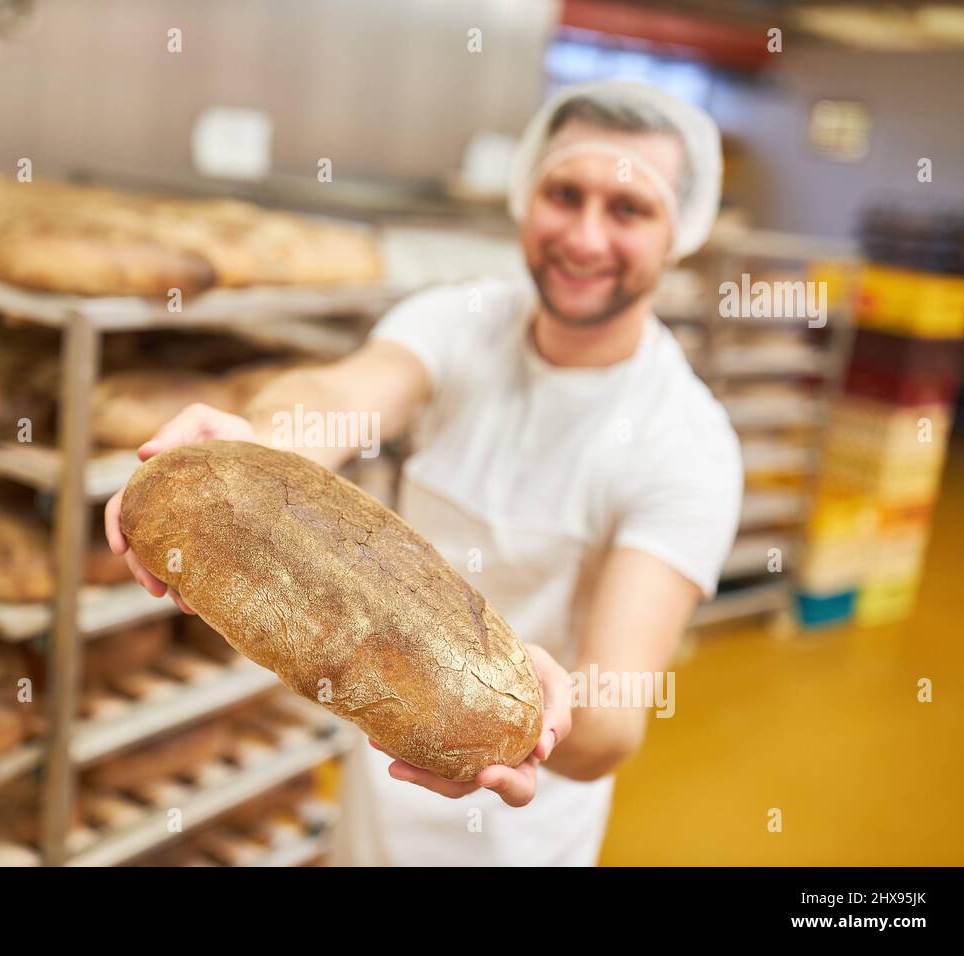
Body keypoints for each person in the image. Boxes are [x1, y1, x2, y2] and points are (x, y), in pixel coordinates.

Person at [105, 80, 743, 866]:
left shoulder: (686, 443)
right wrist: (254, 446)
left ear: (681, 232)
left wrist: (538, 719)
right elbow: (337, 396)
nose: (583, 236)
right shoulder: (464, 321)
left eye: (628, 209)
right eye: (564, 193)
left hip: (526, 833)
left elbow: (613, 722)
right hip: (382, 783)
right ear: (525, 195)